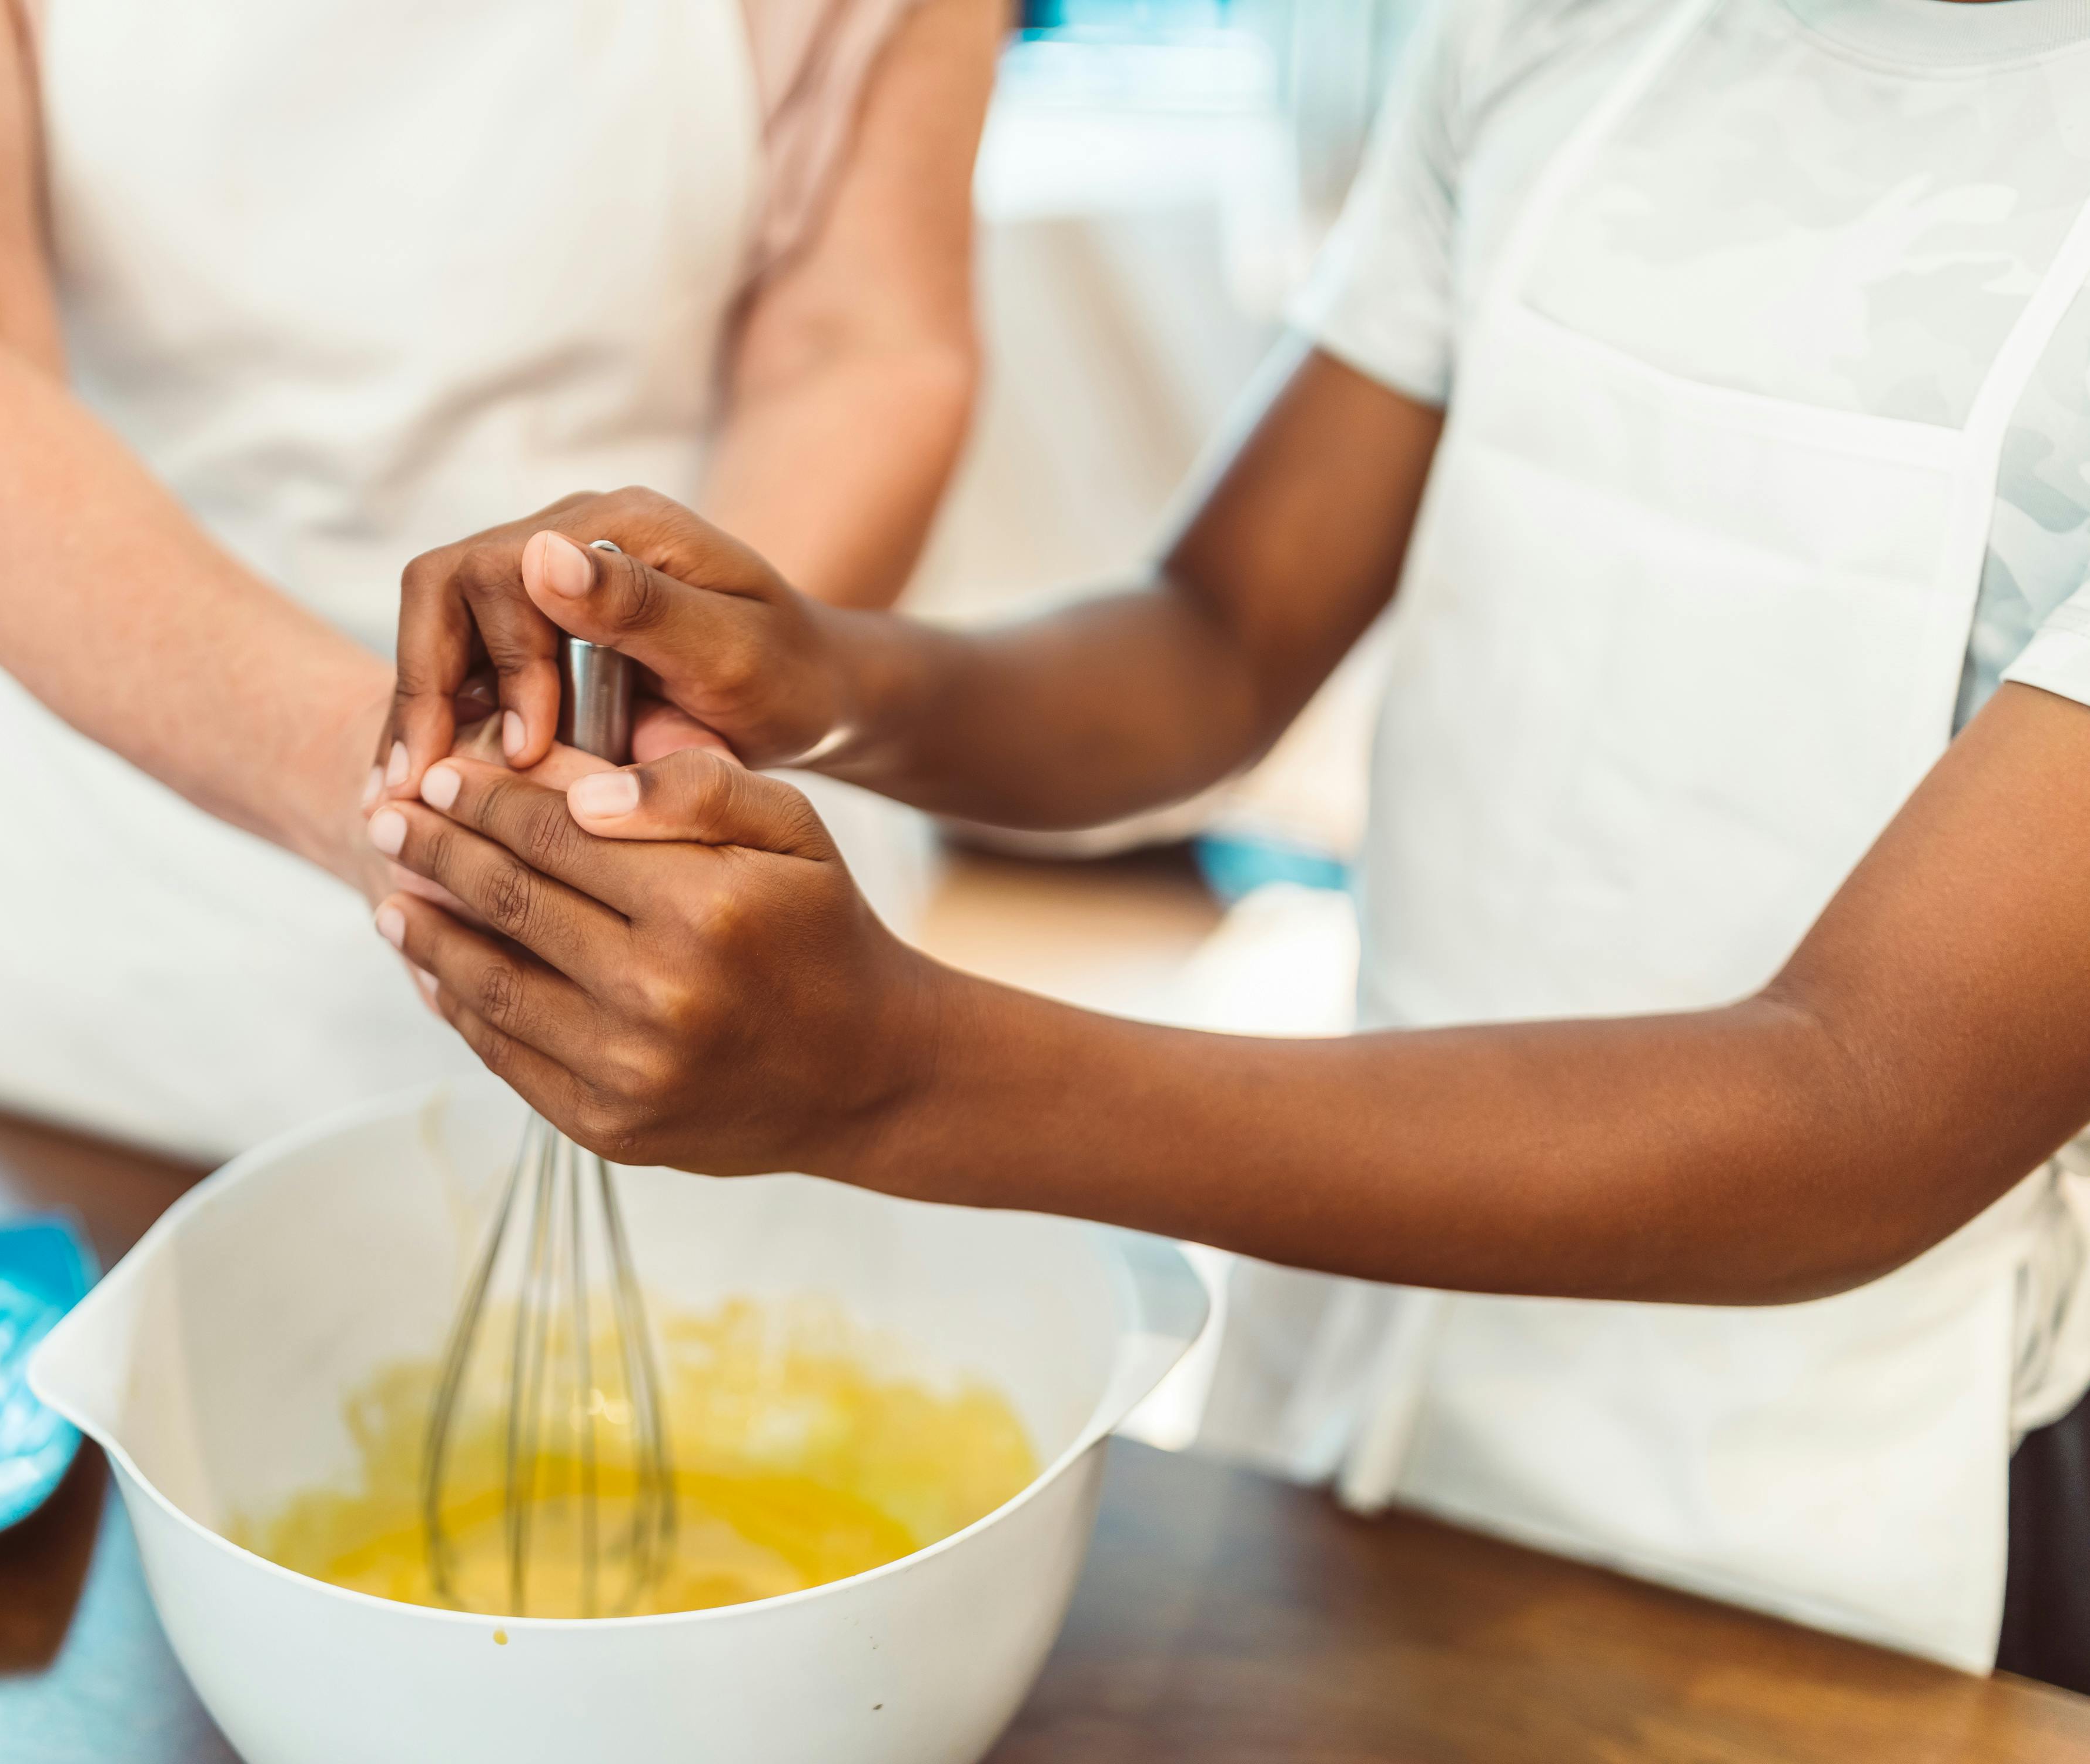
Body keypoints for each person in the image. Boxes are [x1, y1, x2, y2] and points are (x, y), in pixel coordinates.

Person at [364, 0, 2090, 1686]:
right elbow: (1216, 638)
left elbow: (1860, 1104)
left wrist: (890, 1070)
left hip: (1874, 1506)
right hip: (1375, 1361)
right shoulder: (1538, 37)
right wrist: (818, 672)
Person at [0, 0, 1000, 1160]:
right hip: (118, 961)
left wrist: (659, 730)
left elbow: (865, 342)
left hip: (687, 907)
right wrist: (385, 780)